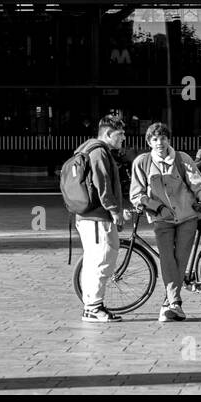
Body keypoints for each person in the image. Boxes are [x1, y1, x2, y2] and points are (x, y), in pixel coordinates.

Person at [130, 122, 201, 322]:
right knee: (167, 259)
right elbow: (136, 195)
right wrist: (156, 206)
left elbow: (199, 185)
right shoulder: (142, 163)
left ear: (168, 140)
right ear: (149, 142)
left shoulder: (182, 159)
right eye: (155, 139)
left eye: (163, 138)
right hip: (161, 219)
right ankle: (173, 303)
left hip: (187, 217)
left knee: (179, 259)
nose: (159, 143)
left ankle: (172, 303)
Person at [72, 114, 132, 322]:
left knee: (93, 261)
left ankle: (91, 305)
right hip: (97, 218)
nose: (123, 137)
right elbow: (103, 186)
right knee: (102, 260)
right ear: (108, 133)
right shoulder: (99, 152)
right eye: (120, 134)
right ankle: (93, 307)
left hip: (88, 217)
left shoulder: (88, 148)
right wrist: (115, 211)